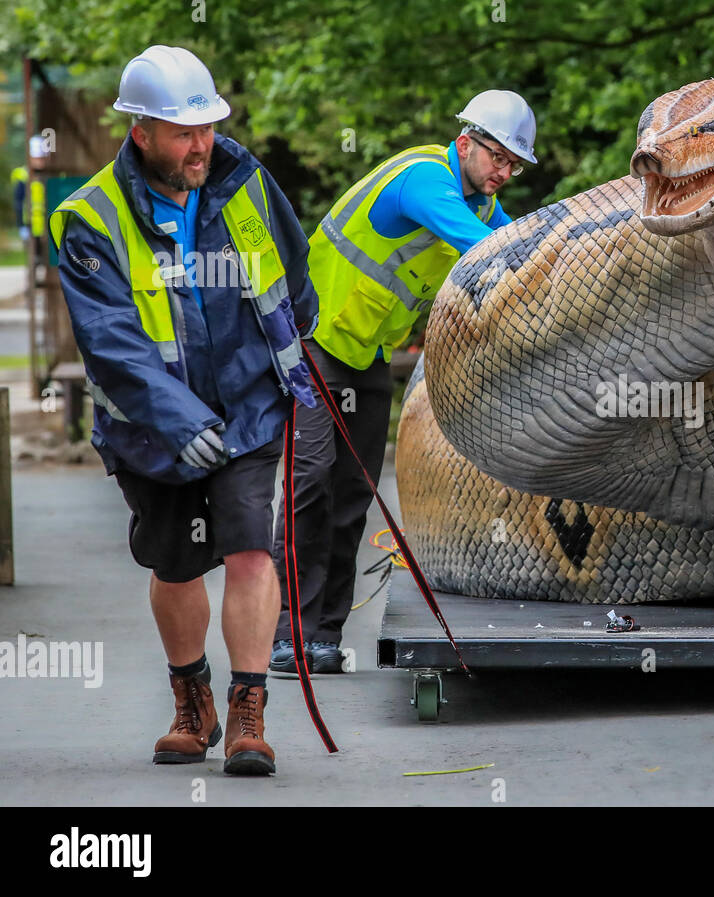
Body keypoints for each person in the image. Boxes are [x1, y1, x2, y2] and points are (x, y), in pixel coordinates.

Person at [49, 46, 318, 775]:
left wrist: (291, 360)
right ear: (140, 131)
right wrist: (177, 420)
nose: (200, 145)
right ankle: (191, 697)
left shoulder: (246, 184)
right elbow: (111, 344)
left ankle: (247, 712)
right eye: (182, 132)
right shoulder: (89, 219)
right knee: (174, 564)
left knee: (249, 548)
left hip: (249, 408)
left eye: (206, 128)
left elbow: (294, 278)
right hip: (153, 431)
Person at [269, 90, 537, 674]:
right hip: (312, 340)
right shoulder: (423, 179)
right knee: (310, 481)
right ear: (464, 143)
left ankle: (323, 636)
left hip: (366, 357)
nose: (505, 172)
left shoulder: (483, 207)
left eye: (515, 165)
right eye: (499, 157)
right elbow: (490, 251)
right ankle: (287, 633)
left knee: (352, 495)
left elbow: (526, 246)